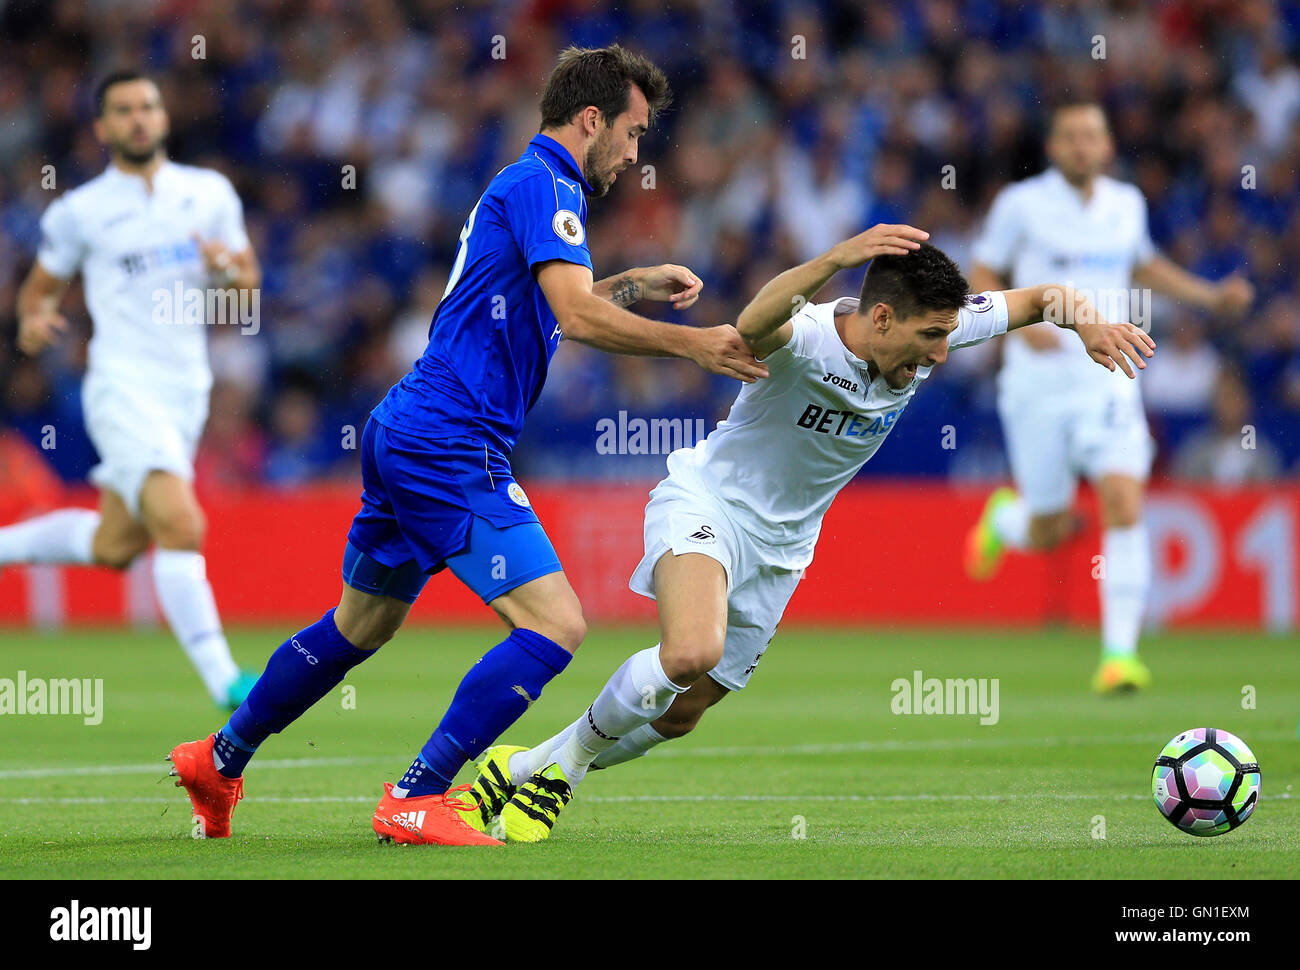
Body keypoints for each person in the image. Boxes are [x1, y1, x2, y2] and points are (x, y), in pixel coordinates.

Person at [166, 44, 767, 845]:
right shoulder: (546, 184)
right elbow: (579, 317)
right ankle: (417, 794)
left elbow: (560, 305)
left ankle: (220, 756)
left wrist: (632, 283)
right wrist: (692, 345)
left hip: (407, 426)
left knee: (361, 626)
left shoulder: (527, 188)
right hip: (450, 439)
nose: (634, 153)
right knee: (556, 628)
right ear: (591, 120)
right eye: (631, 132)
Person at [457, 226, 1156, 842]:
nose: (942, 355)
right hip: (711, 503)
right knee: (689, 652)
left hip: (784, 548)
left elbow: (1041, 298)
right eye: (928, 339)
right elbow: (754, 322)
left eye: (946, 336)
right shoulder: (809, 337)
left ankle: (520, 766)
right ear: (881, 316)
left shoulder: (931, 327)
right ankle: (565, 773)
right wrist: (836, 257)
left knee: (679, 716)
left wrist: (1087, 324)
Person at [963, 103, 1253, 692]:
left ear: (1107, 147)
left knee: (1124, 503)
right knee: (1049, 528)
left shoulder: (1127, 204)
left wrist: (1208, 296)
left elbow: (1145, 266)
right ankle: (1006, 519)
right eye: (1069, 136)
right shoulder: (1021, 205)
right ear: (1053, 147)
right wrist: (1023, 322)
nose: (1080, 145)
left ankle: (1119, 656)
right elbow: (983, 273)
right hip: (1037, 382)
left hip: (1111, 376)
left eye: (1091, 135)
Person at [1, 71, 260, 709]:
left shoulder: (209, 194)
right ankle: (227, 681)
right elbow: (37, 291)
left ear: (163, 118)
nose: (138, 119)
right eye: (123, 110)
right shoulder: (79, 211)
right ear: (103, 127)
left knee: (116, 545)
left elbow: (246, 287)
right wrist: (33, 320)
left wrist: (232, 272)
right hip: (119, 386)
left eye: (148, 106)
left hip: (185, 392)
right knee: (180, 522)